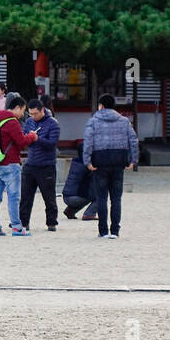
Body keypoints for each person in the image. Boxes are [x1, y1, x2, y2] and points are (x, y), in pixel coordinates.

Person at [82, 94, 139, 240]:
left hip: (99, 161)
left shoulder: (93, 121)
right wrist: (133, 159)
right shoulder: (124, 121)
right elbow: (133, 140)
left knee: (101, 197)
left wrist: (87, 161)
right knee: (116, 198)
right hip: (118, 160)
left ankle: (103, 231)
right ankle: (115, 231)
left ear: (101, 105)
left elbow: (88, 143)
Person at [0, 93, 37, 236]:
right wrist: (32, 136)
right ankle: (16, 227)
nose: (22, 114)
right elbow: (21, 142)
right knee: (14, 197)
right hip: (11, 163)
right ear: (17, 107)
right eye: (22, 110)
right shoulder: (12, 122)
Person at [19, 97, 61, 233]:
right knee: (25, 196)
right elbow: (24, 138)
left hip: (46, 164)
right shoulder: (29, 122)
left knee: (49, 196)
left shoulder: (53, 123)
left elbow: (52, 143)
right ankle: (23, 222)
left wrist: (38, 139)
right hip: (30, 163)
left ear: (43, 110)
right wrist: (29, 138)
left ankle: (51, 222)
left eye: (35, 113)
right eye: (31, 114)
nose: (33, 116)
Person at [61, 139, 98, 222]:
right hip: (74, 197)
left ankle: (70, 211)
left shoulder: (76, 162)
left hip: (67, 196)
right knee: (100, 196)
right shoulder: (87, 166)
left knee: (85, 195)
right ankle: (89, 214)